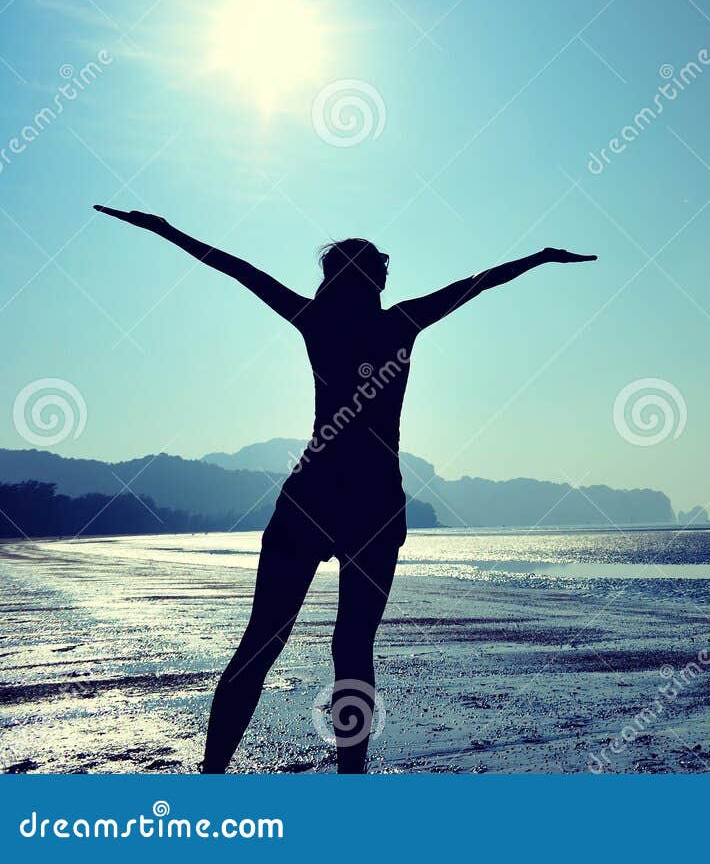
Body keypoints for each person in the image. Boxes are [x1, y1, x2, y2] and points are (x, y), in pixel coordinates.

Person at [92, 204, 595, 772]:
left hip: (317, 497)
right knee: (349, 648)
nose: (388, 269)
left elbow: (233, 267)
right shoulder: (397, 322)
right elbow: (477, 284)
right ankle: (344, 782)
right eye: (380, 262)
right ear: (365, 275)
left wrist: (164, 229)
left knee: (265, 644)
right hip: (371, 502)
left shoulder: (320, 320)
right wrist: (539, 257)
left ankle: (218, 778)